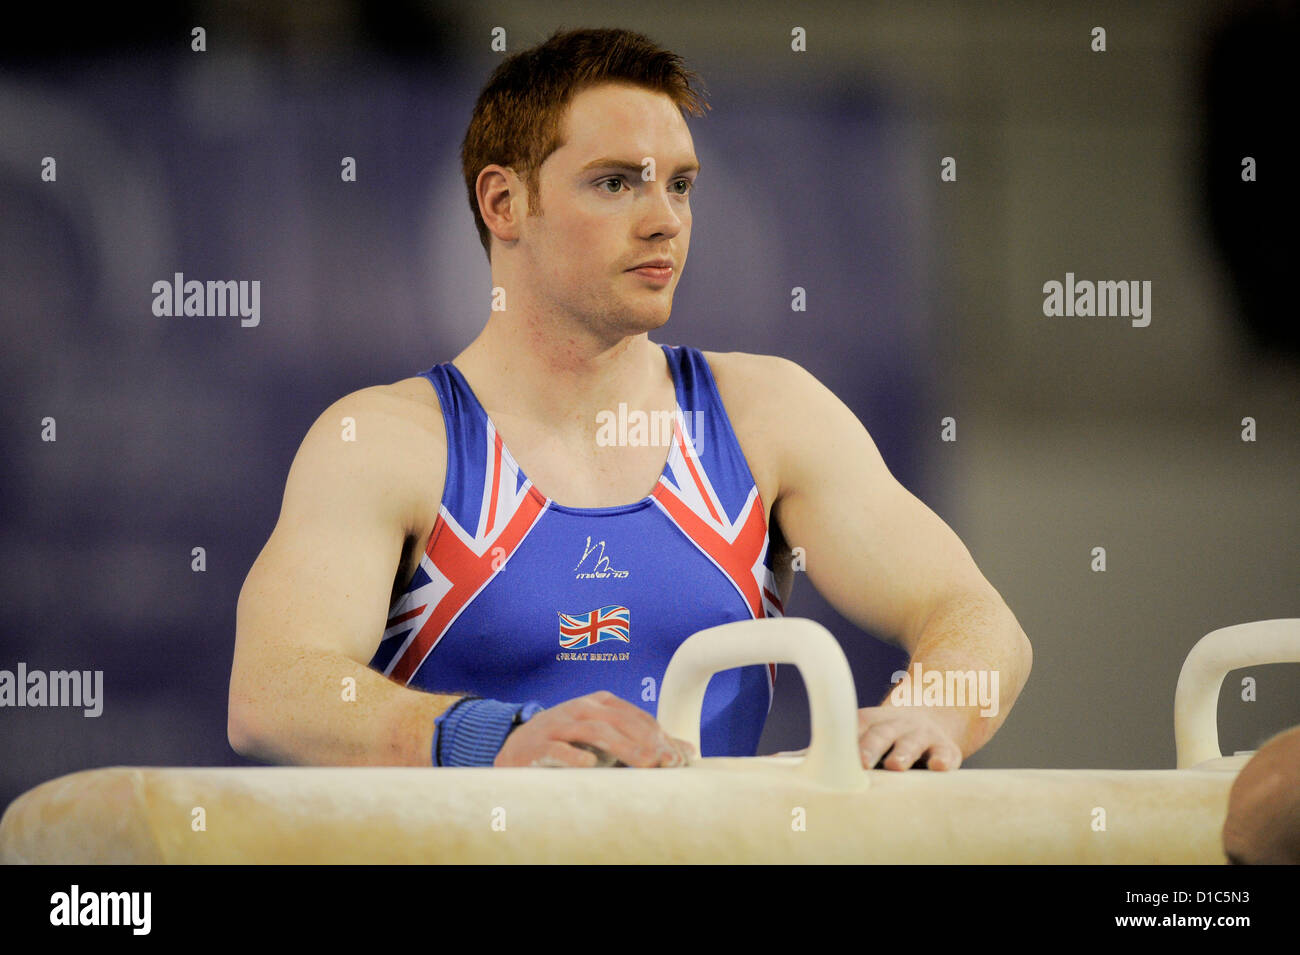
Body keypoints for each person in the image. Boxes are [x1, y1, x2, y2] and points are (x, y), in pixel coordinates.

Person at [227, 27, 1032, 771]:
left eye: (679, 185)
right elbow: (272, 686)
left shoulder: (768, 417)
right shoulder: (389, 442)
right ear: (503, 204)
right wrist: (489, 737)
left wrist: (932, 712)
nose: (664, 221)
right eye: (615, 183)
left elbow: (972, 613)